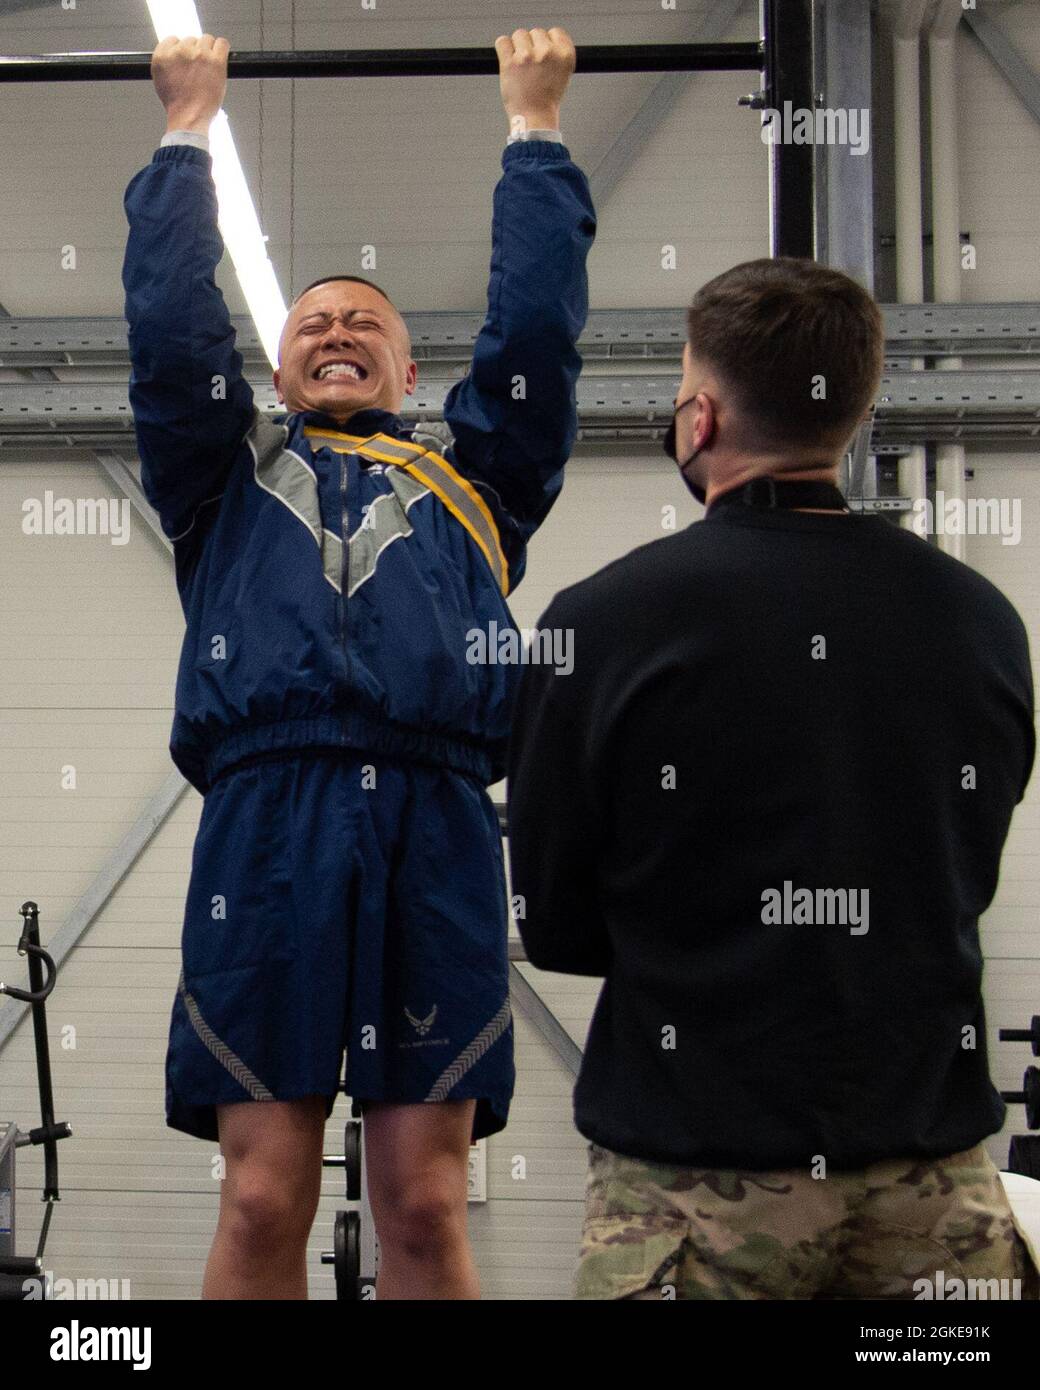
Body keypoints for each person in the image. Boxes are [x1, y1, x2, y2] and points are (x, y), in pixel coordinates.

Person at [122, 28, 595, 1299]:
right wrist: (187, 137)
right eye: (312, 324)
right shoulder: (219, 477)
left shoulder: (476, 482)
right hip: (265, 827)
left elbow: (537, 332)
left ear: (410, 367)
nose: (336, 332)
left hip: (435, 823)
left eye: (364, 323)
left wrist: (532, 128)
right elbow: (172, 331)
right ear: (274, 368)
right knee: (264, 1194)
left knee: (426, 1207)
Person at [506, 256, 1039, 1300]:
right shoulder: (979, 620)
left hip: (694, 1187)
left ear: (697, 419)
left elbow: (556, 922)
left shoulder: (600, 624)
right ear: (856, 404)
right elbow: (958, 863)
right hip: (931, 1190)